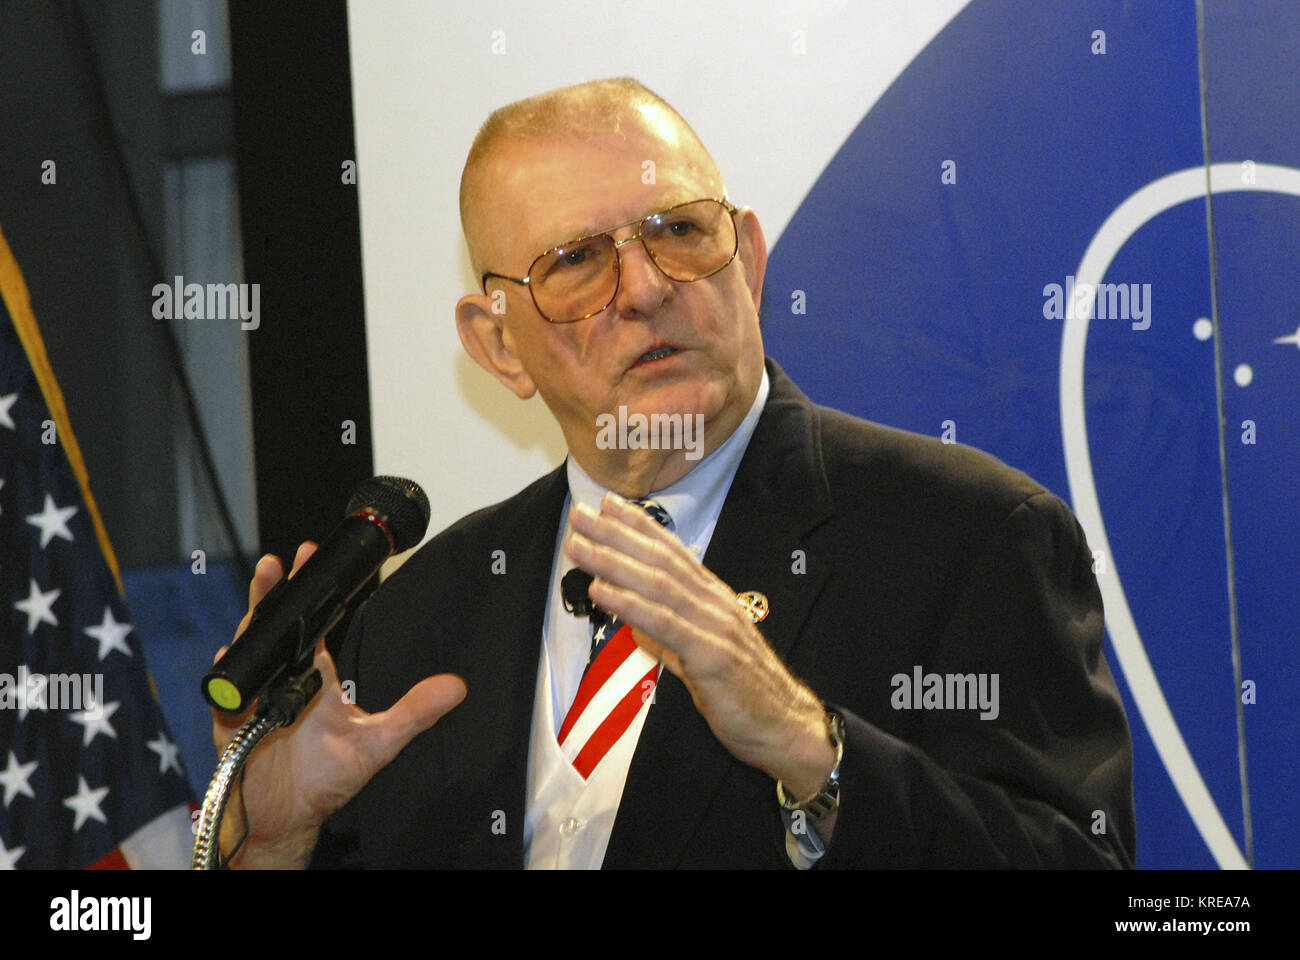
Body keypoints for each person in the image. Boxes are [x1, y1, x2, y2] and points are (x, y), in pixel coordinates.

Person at [211, 77, 1136, 869]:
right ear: (498, 347)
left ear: (752, 264)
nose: (646, 288)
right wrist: (276, 850)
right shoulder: (416, 621)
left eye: (680, 232)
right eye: (574, 261)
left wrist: (813, 754)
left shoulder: (966, 537)